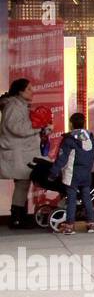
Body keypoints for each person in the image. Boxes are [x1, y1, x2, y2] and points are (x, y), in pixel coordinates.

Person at [1, 79, 44, 229]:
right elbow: (17, 128)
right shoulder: (13, 107)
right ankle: (17, 218)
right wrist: (37, 126)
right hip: (18, 153)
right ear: (20, 91)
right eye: (29, 89)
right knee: (22, 183)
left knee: (23, 184)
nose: (32, 92)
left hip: (22, 152)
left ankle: (19, 216)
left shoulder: (19, 106)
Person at [55, 112, 94, 234]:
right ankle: (91, 223)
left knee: (71, 199)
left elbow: (62, 159)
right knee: (87, 198)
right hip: (86, 176)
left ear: (71, 124)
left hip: (72, 175)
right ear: (84, 123)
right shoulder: (91, 140)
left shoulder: (68, 141)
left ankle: (70, 225)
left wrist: (53, 172)